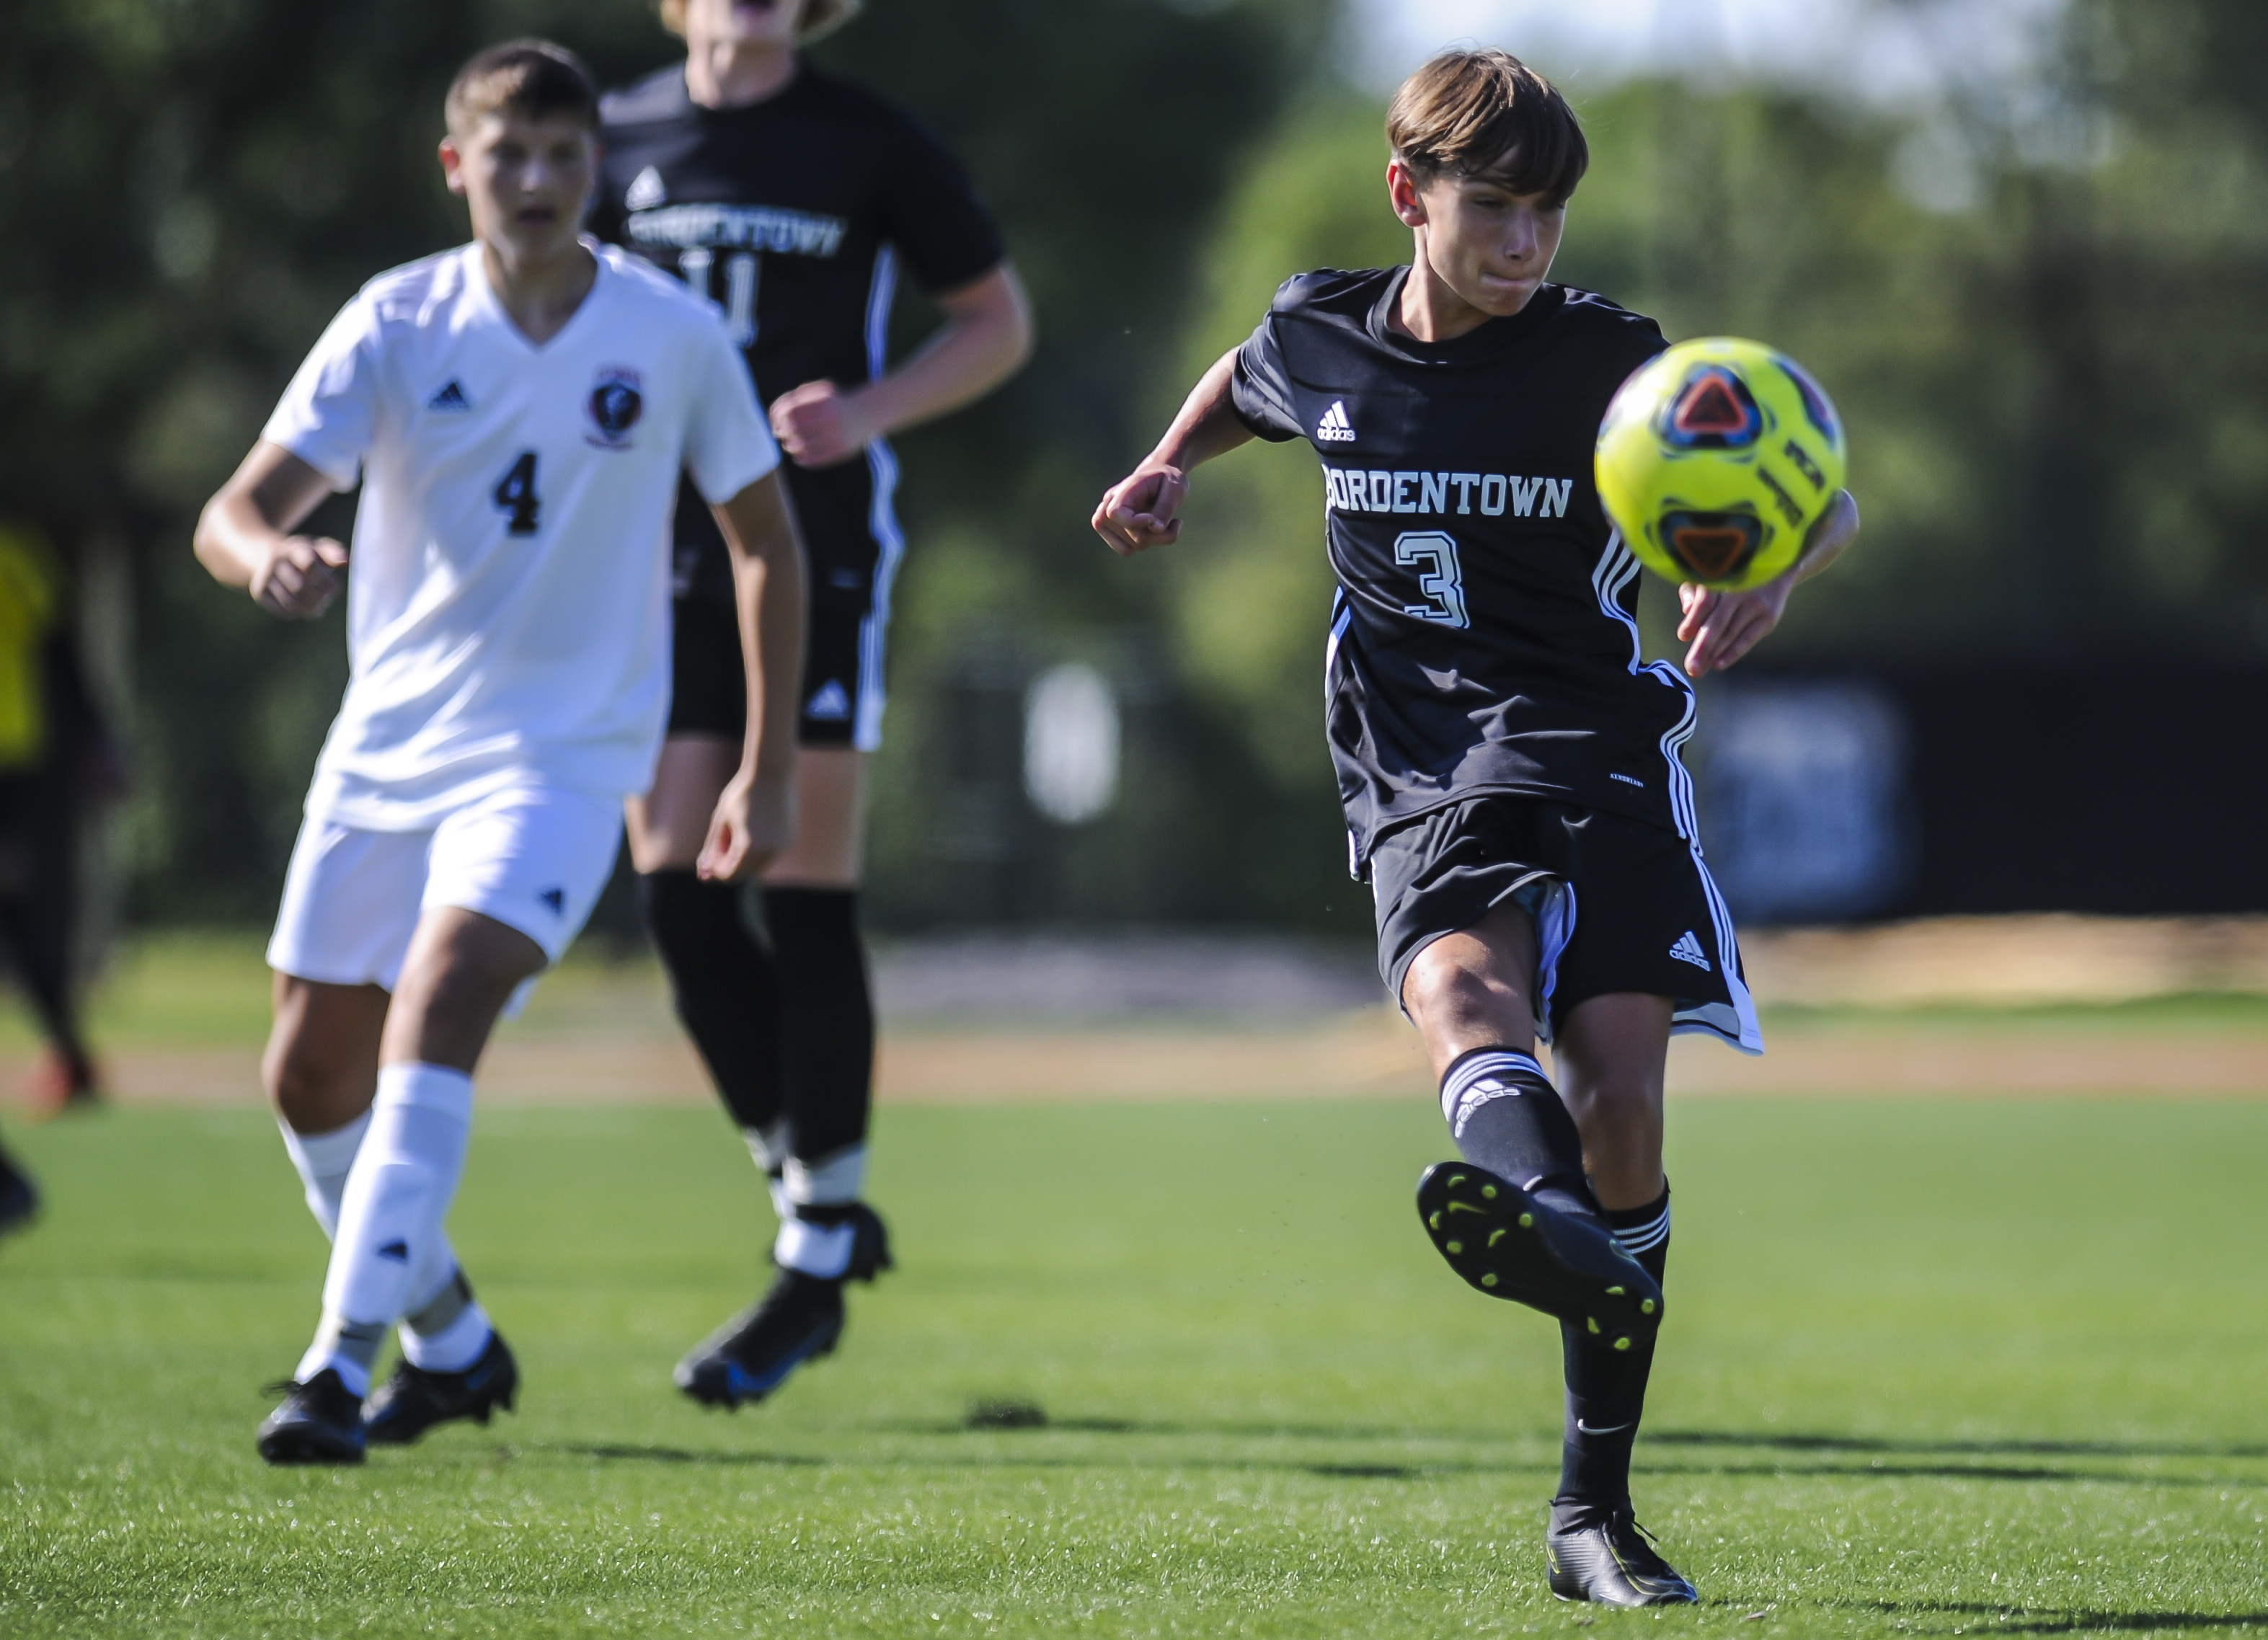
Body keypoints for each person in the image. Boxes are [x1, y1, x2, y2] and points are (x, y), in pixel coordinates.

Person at [1092, 48, 1859, 1608]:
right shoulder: (1319, 330)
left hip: (1597, 748)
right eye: (1495, 209)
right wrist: (1168, 463)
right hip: (1418, 753)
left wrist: (1779, 561)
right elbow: (1247, 381)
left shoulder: (1618, 363)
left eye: (1548, 214)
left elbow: (1811, 476)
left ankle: (1592, 1509)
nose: (1526, 244)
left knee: (1624, 1107)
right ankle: (1554, 1219)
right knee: (1459, 997)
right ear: (1409, 196)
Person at [192, 40, 804, 1465]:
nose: (536, 181)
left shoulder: (669, 334)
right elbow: (234, 507)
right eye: (507, 155)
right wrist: (265, 558)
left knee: (447, 985)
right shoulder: (394, 322)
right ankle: (454, 1340)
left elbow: (765, 539)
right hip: (387, 745)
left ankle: (339, 1367)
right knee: (305, 1075)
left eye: (564, 156)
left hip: (566, 755)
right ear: (457, 166)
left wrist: (763, 762)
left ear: (599, 170)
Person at [592, 0, 1031, 1409]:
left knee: (805, 886)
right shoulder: (609, 137)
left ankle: (809, 1255)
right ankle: (819, 1198)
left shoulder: (866, 141)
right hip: (647, 551)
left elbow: (996, 325)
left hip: (819, 541)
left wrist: (874, 409)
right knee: (675, 894)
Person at [0, 522, 120, 1117]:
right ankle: (71, 1058)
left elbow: (60, 653)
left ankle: (72, 1060)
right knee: (28, 921)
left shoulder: (19, 559)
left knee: (29, 918)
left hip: (23, 760)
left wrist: (94, 739)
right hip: (32, 760)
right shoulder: (22, 554)